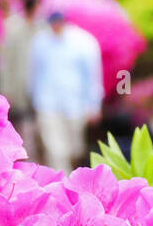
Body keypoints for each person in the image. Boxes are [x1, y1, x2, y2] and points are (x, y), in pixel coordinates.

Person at [30, 9, 103, 173]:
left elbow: (92, 76)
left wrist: (94, 105)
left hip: (75, 103)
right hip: (47, 102)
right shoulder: (41, 41)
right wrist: (34, 98)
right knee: (55, 149)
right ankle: (60, 184)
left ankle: (72, 175)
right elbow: (35, 72)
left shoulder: (84, 42)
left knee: (74, 148)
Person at [0, 0, 40, 160]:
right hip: (19, 87)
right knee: (26, 129)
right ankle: (30, 162)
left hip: (41, 89)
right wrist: (7, 89)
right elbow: (5, 62)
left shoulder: (42, 28)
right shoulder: (13, 27)